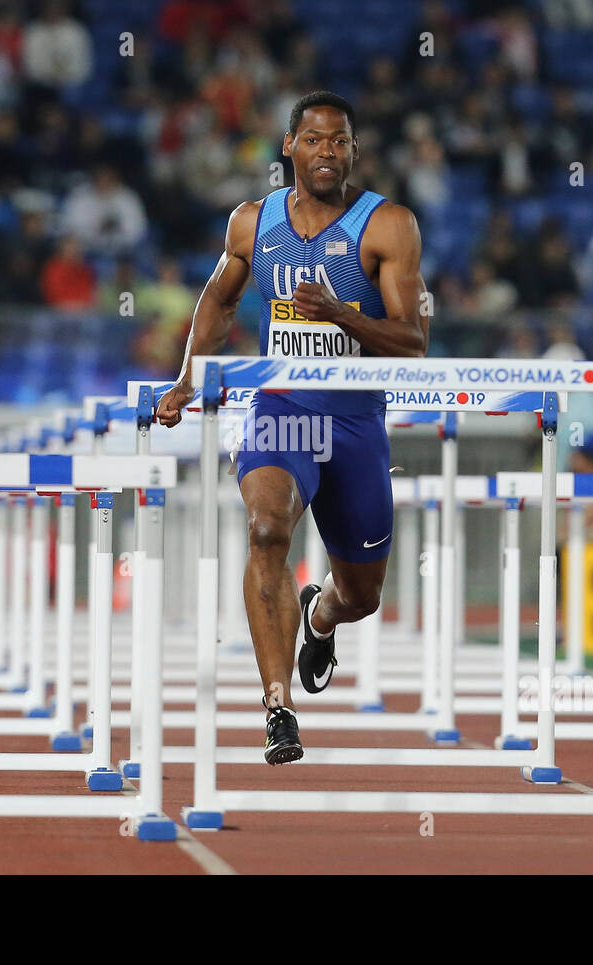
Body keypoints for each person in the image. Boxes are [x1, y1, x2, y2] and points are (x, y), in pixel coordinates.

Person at [155, 91, 427, 765]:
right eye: (313, 140)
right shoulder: (252, 223)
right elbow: (217, 300)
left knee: (361, 595)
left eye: (339, 141)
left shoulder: (388, 225)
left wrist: (341, 314)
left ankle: (318, 615)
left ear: (354, 151)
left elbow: (414, 339)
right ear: (289, 147)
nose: (326, 152)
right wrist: (191, 377)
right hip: (280, 408)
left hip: (356, 420)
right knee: (266, 529)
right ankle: (278, 706)